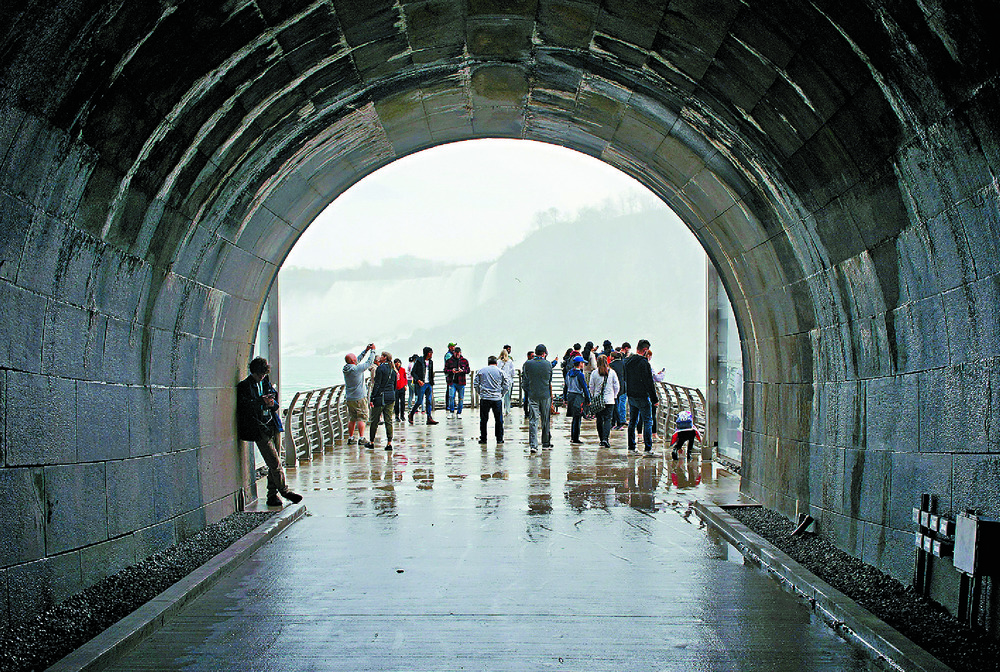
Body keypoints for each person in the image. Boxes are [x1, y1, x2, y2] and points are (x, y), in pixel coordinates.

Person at [236, 357, 302, 506]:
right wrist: (261, 401)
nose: (262, 377)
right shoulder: (245, 386)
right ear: (253, 372)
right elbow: (244, 406)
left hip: (272, 423)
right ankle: (285, 491)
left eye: (264, 374)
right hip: (259, 428)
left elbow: (275, 403)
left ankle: (272, 495)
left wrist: (271, 403)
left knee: (276, 460)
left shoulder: (265, 382)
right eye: (260, 375)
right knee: (274, 461)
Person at [624, 339, 657, 456]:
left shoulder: (627, 361)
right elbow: (649, 382)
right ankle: (648, 449)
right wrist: (654, 399)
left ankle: (631, 448)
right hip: (642, 396)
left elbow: (625, 378)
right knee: (648, 421)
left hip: (631, 395)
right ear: (645, 350)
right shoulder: (644, 363)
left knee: (632, 421)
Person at [343, 343, 377, 444]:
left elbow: (356, 360)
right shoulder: (356, 369)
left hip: (350, 397)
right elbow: (369, 362)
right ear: (353, 361)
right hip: (359, 397)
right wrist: (373, 351)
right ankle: (362, 438)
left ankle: (351, 437)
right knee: (361, 418)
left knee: (352, 418)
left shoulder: (346, 368)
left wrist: (365, 350)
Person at [522, 345, 553, 453]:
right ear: (544, 353)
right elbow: (549, 380)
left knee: (533, 420)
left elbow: (525, 381)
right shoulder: (548, 364)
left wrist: (529, 391)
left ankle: (533, 445)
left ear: (535, 353)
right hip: (545, 395)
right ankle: (545, 443)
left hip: (533, 395)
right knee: (545, 420)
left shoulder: (527, 364)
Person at [474, 355, 510, 445]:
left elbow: (476, 384)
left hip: (485, 398)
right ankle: (499, 438)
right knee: (498, 419)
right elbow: (506, 385)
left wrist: (480, 393)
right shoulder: (500, 371)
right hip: (497, 398)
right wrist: (501, 394)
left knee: (484, 419)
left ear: (488, 362)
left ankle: (483, 438)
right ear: (496, 363)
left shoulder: (481, 371)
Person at [365, 352, 397, 450]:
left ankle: (371, 442)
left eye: (382, 356)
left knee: (374, 420)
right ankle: (389, 443)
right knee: (389, 420)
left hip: (380, 398)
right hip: (391, 397)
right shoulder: (393, 370)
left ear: (385, 358)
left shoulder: (380, 368)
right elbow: (394, 385)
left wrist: (372, 398)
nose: (380, 357)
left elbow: (377, 384)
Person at [589, 354, 620, 448]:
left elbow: (591, 386)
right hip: (609, 400)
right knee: (607, 419)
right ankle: (605, 439)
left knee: (599, 419)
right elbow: (616, 386)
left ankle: (601, 438)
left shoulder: (594, 373)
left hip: (598, 400)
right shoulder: (612, 372)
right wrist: (614, 395)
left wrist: (594, 395)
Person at [409, 346, 438, 425]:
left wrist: (432, 382)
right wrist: (418, 380)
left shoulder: (431, 362)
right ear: (426, 353)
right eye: (430, 352)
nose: (431, 354)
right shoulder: (419, 361)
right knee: (419, 401)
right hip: (421, 383)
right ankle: (411, 414)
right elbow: (413, 372)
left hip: (428, 383)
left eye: (432, 352)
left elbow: (431, 372)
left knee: (429, 400)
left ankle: (429, 418)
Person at [565, 355, 591, 444]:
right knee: (578, 418)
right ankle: (576, 438)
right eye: (583, 363)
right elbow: (584, 387)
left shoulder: (568, 373)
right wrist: (588, 399)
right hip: (578, 396)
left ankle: (573, 437)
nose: (583, 365)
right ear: (580, 364)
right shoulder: (580, 374)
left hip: (570, 396)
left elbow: (565, 386)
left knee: (574, 418)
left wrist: (565, 397)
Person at [446, 346, 471, 415]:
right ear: (454, 353)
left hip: (461, 382)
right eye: (456, 353)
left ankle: (459, 412)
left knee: (461, 398)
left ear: (460, 353)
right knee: (451, 397)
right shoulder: (449, 361)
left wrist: (462, 371)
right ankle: (451, 411)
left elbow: (468, 370)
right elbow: (445, 370)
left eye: (458, 353)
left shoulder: (464, 361)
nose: (457, 355)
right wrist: (451, 370)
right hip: (452, 382)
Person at [609, 351, 628, 430]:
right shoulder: (623, 364)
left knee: (615, 405)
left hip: (613, 387)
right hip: (623, 386)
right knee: (621, 403)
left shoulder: (611, 365)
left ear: (612, 357)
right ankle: (619, 421)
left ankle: (616, 422)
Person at [498, 348, 517, 415]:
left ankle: (501, 410)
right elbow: (513, 372)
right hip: (508, 381)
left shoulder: (498, 362)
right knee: (507, 397)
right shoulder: (510, 361)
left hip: (500, 382)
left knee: (501, 396)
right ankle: (507, 410)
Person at [444, 342, 457, 412]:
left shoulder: (452, 354)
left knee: (453, 389)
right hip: (449, 375)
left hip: (454, 375)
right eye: (453, 346)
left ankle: (453, 403)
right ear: (450, 347)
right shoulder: (448, 355)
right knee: (449, 390)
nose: (454, 348)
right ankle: (448, 405)